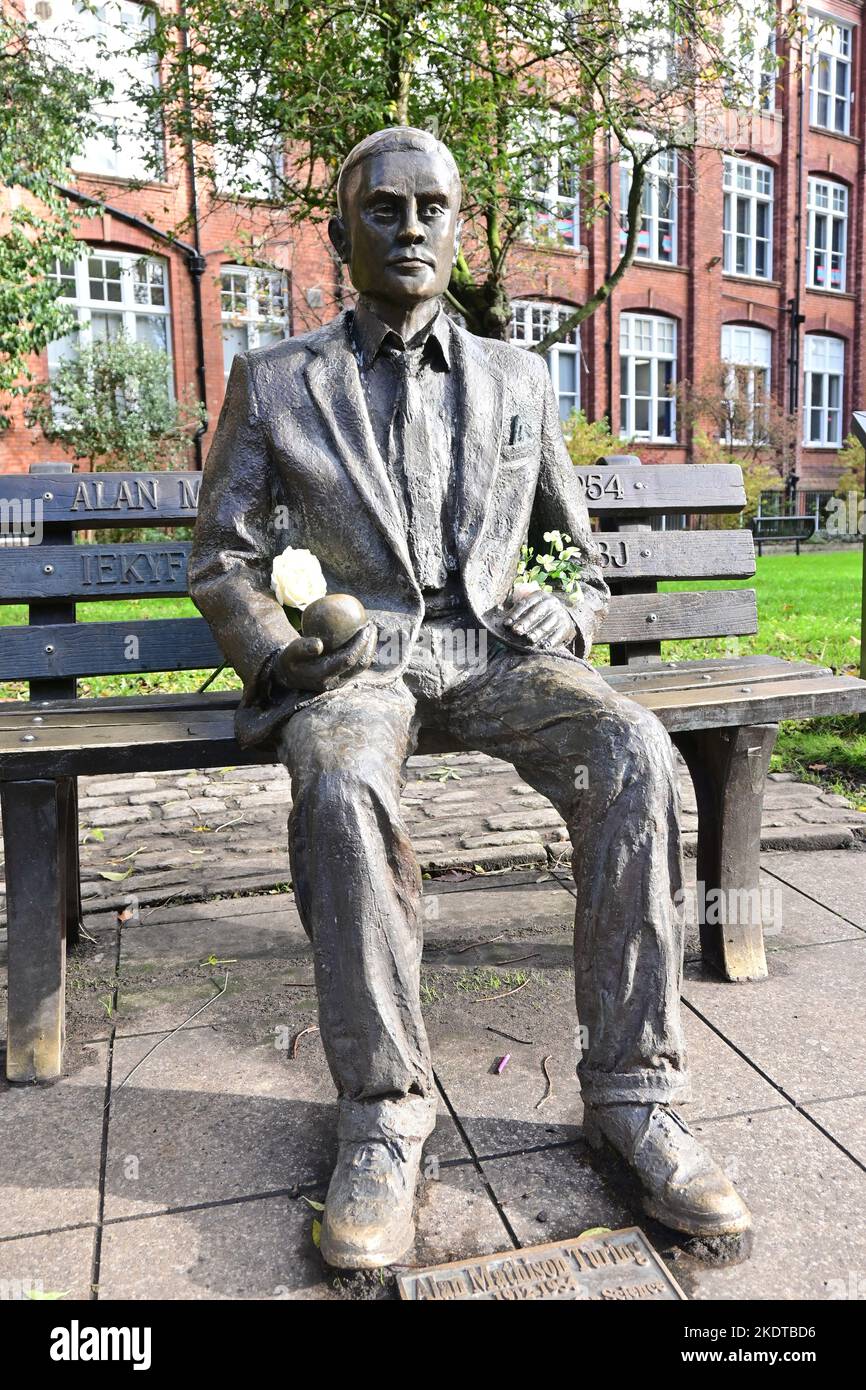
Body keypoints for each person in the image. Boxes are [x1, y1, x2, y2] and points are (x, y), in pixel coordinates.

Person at [189, 126, 751, 1269]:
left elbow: (571, 550)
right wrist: (278, 655)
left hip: (495, 650)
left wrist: (567, 604)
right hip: (359, 661)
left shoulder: (515, 376)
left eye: (431, 208)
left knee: (632, 751)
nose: (409, 229)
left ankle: (635, 1094)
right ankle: (385, 1115)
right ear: (342, 227)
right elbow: (224, 558)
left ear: (457, 226)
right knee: (342, 786)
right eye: (384, 209)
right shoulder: (277, 379)